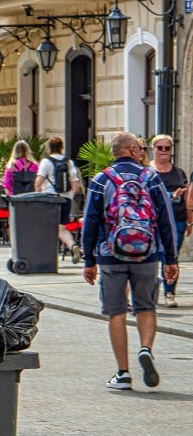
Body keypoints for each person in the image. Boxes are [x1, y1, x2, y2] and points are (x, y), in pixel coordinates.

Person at [82, 131, 179, 390]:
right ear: (134, 150)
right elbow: (166, 220)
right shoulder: (151, 178)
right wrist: (170, 258)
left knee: (116, 312)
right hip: (147, 254)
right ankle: (145, 348)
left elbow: (90, 222)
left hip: (110, 255)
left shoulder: (101, 179)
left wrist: (89, 260)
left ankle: (123, 373)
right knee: (146, 307)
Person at [146, 134, 190, 307]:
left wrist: (189, 221)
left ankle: (169, 292)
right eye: (160, 147)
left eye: (167, 148)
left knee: (171, 255)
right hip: (151, 221)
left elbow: (188, 198)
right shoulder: (147, 172)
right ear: (153, 149)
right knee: (149, 257)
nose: (163, 151)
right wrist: (171, 196)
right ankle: (149, 292)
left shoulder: (178, 172)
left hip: (176, 220)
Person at [33, 135, 84, 263]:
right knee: (61, 228)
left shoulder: (46, 162)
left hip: (49, 199)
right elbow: (75, 184)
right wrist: (70, 196)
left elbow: (38, 182)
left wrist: (37, 195)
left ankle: (45, 254)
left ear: (49, 148)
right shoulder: (68, 162)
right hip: (65, 199)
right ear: (62, 147)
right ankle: (73, 246)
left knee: (45, 226)